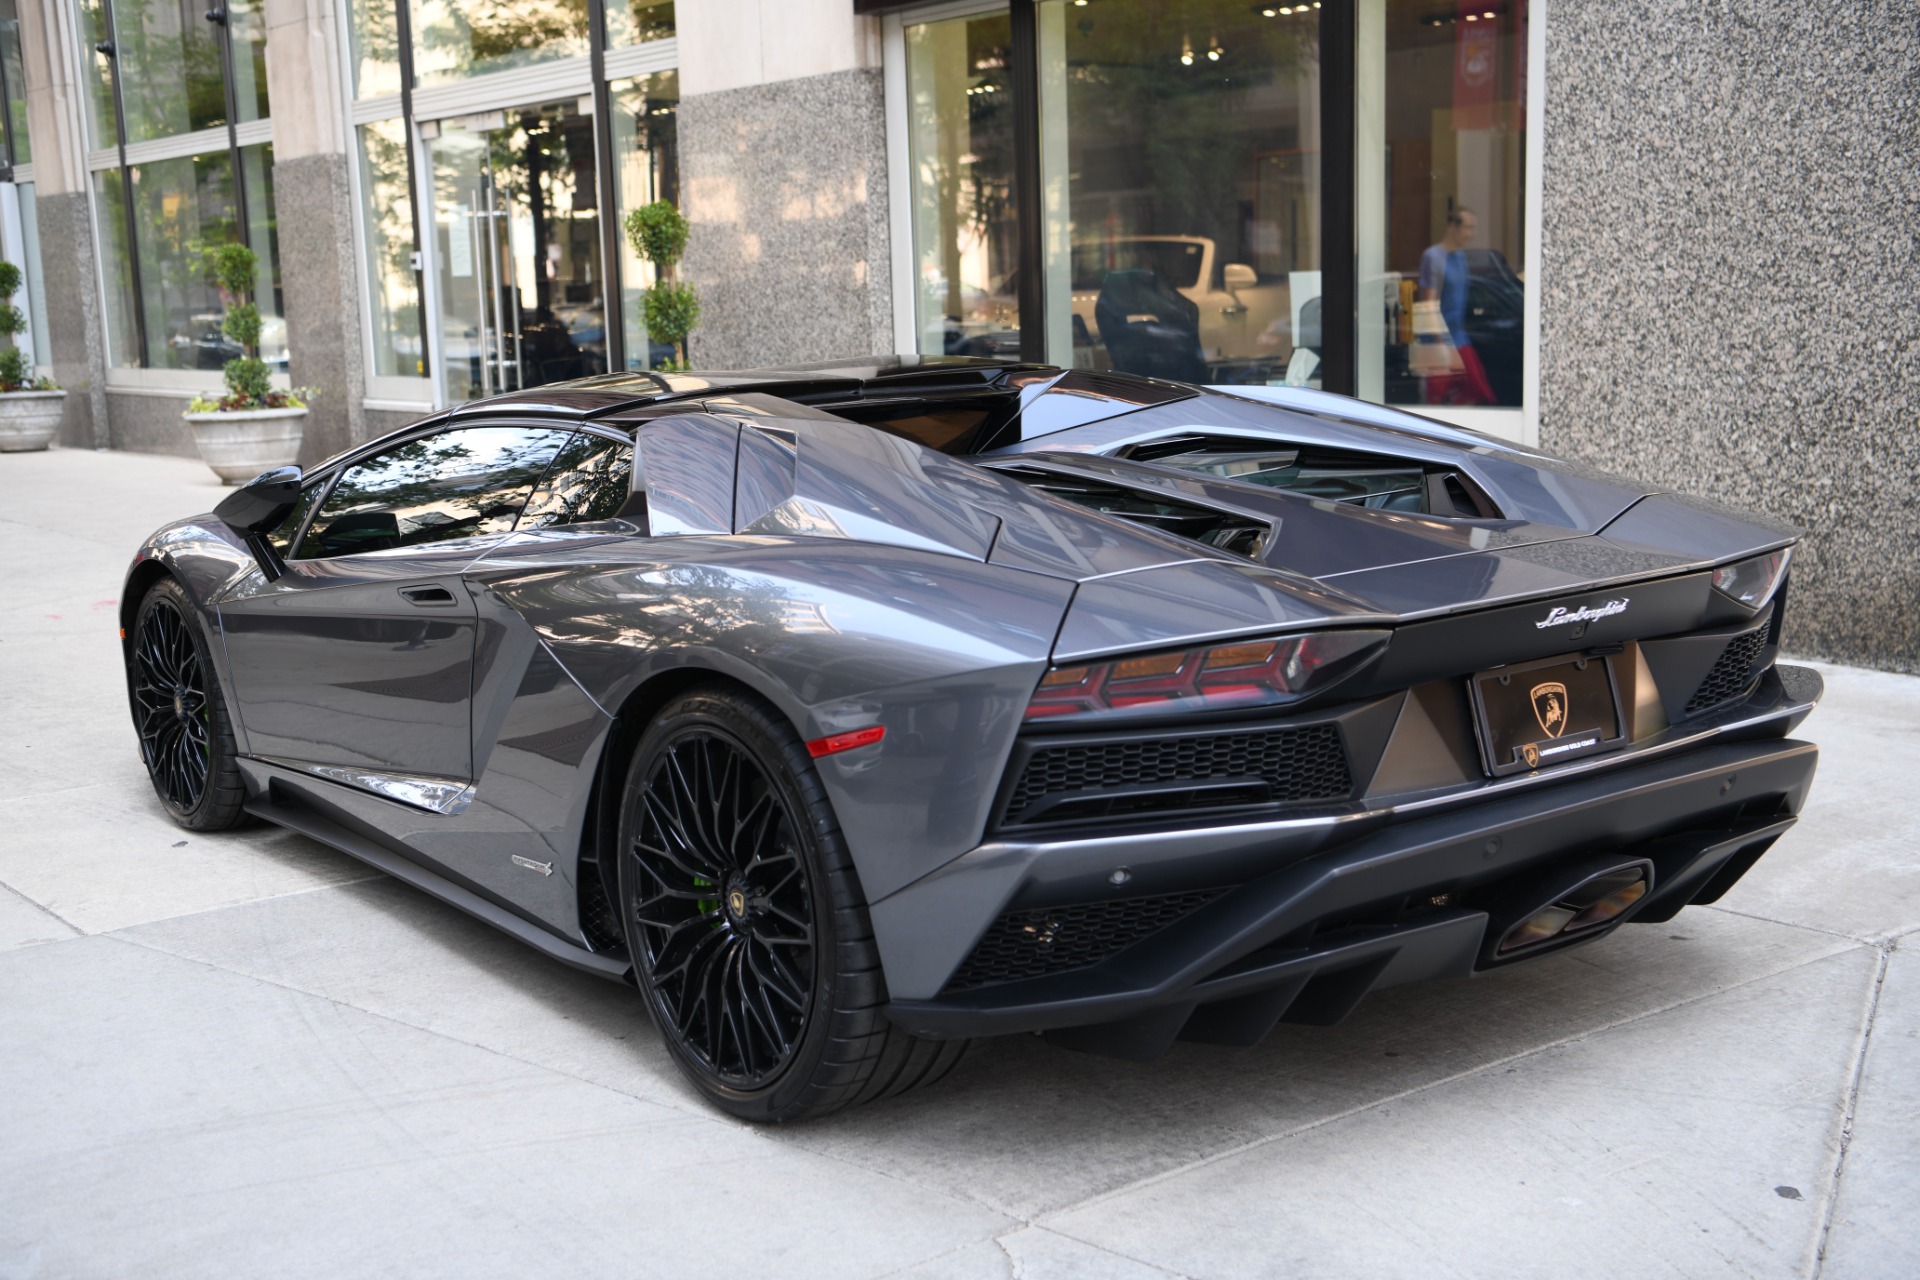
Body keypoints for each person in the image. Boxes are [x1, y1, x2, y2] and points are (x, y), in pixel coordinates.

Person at [1417, 207, 1496, 405]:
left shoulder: (1461, 258)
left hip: (1460, 338)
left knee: (1476, 391)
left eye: (1473, 228)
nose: (1472, 234)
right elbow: (1429, 303)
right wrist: (1440, 343)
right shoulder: (1433, 257)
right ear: (1453, 227)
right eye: (1468, 228)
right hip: (1439, 341)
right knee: (1437, 397)